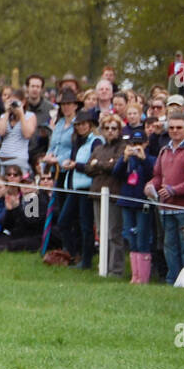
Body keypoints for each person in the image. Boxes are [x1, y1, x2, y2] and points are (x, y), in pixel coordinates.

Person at [150, 113, 184, 284]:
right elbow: (157, 175)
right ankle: (173, 280)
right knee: (169, 246)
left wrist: (174, 190)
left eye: (179, 127)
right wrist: (151, 186)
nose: (175, 131)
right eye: (171, 127)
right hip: (165, 208)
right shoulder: (164, 150)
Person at [58, 110, 103, 269]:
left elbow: (95, 166)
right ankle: (73, 254)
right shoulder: (78, 141)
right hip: (75, 186)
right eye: (78, 124)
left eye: (84, 124)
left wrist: (75, 165)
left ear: (90, 125)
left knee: (86, 225)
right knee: (63, 221)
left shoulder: (96, 141)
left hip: (88, 187)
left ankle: (87, 261)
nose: (81, 127)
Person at [84, 112, 126, 276]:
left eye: (114, 128)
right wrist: (102, 165)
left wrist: (98, 165)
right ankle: (103, 267)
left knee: (114, 232)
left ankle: (116, 270)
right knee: (101, 232)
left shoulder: (122, 147)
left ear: (119, 130)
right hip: (97, 193)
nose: (110, 131)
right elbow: (88, 168)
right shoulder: (99, 148)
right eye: (107, 128)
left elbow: (115, 166)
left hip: (114, 193)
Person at [114, 132, 156, 283]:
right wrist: (124, 158)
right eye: (133, 144)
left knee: (142, 237)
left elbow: (154, 173)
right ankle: (135, 275)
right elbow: (116, 173)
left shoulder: (150, 159)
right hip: (127, 201)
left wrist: (143, 159)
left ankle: (143, 277)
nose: (135, 147)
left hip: (142, 203)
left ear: (145, 144)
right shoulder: (127, 160)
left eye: (139, 144)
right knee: (131, 237)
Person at [0, 86, 37, 174]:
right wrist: (7, 112)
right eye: (11, 101)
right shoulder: (3, 117)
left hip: (19, 160)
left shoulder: (30, 116)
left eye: (16, 102)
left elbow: (27, 134)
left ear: (23, 102)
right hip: (2, 158)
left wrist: (21, 114)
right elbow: (0, 132)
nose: (13, 104)